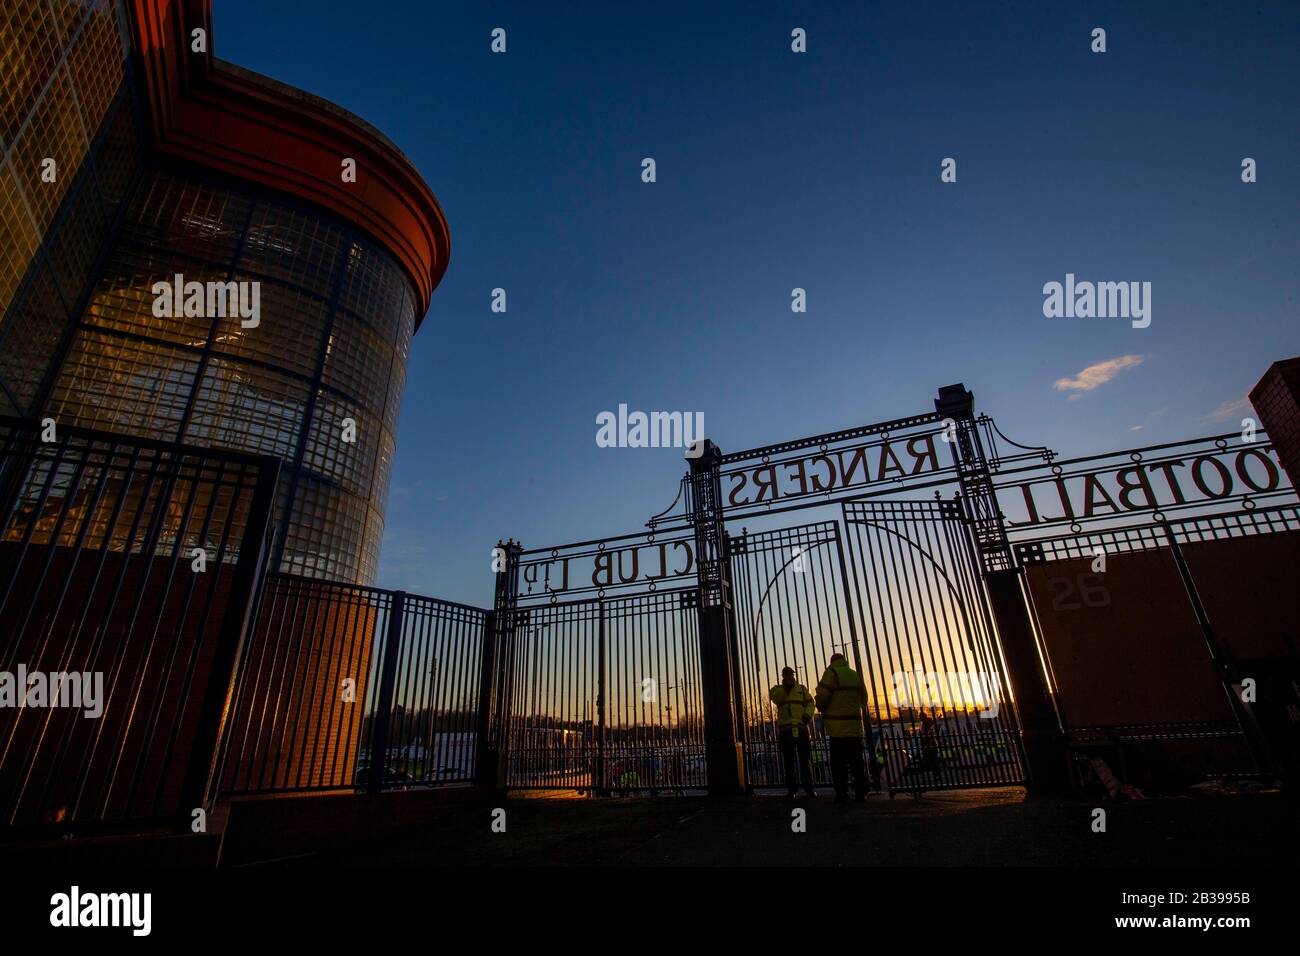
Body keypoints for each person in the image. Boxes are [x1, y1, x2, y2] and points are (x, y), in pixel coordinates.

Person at [815, 652, 870, 802]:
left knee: (839, 765)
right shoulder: (855, 675)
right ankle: (861, 793)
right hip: (855, 728)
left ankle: (842, 794)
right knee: (857, 763)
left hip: (837, 729)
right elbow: (864, 700)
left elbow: (822, 695)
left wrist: (821, 705)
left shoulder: (831, 673)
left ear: (832, 661)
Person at [769, 666, 816, 797]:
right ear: (783, 677)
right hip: (786, 730)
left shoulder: (802, 689)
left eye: (791, 675)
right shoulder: (777, 690)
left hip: (800, 729)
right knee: (788, 762)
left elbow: (811, 703)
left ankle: (809, 789)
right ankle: (792, 790)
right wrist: (785, 688)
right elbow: (777, 699)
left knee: (805, 761)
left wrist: (807, 715)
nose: (790, 677)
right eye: (787, 675)